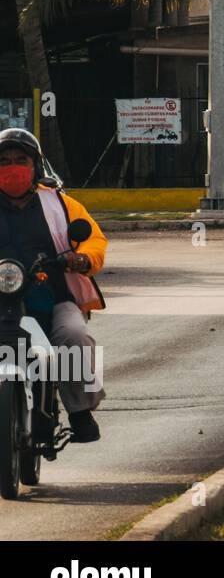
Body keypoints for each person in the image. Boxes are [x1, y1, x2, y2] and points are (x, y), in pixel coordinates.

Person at [0, 128, 107, 441]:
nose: (12, 167)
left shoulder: (61, 204)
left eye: (21, 159)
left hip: (54, 296)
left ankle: (80, 411)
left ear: (36, 165)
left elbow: (93, 240)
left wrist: (82, 259)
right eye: (4, 161)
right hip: (3, 298)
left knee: (74, 336)